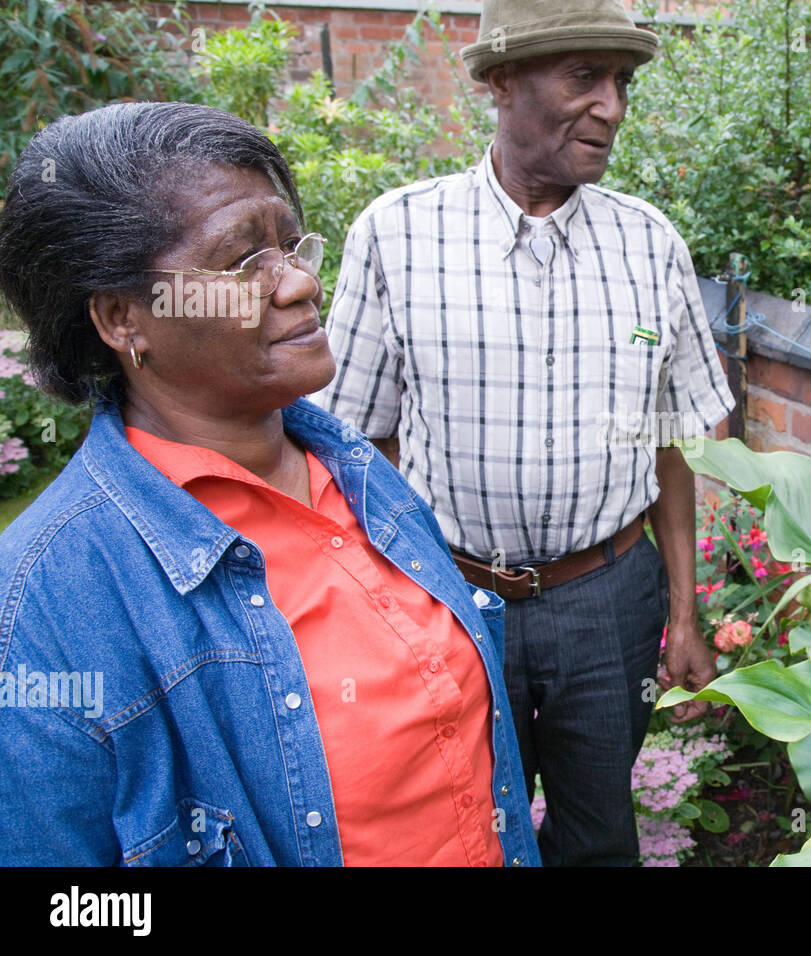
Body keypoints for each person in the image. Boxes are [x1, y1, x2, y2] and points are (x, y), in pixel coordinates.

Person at [0, 101, 539, 867]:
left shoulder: (356, 472)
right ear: (123, 319)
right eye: (243, 262)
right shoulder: (49, 604)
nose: (299, 283)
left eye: (293, 245)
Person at [315, 0, 735, 866]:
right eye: (585, 76)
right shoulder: (395, 235)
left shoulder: (649, 245)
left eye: (620, 82)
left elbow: (671, 450)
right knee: (462, 831)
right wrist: (385, 603)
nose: (612, 105)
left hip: (609, 603)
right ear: (501, 82)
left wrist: (685, 614)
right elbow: (359, 448)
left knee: (597, 836)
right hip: (452, 597)